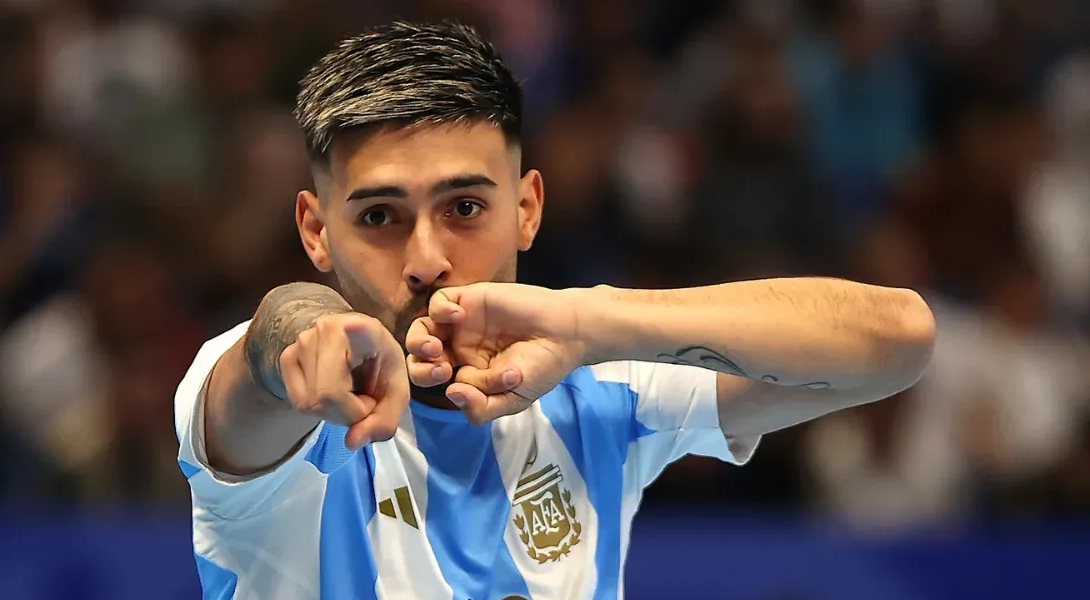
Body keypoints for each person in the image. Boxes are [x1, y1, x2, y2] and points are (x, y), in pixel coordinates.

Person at [174, 21, 936, 600]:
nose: (427, 258)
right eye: (379, 216)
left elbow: (898, 338)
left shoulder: (601, 378)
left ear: (528, 209)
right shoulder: (279, 401)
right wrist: (309, 332)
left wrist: (587, 324)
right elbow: (279, 337)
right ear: (315, 230)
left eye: (464, 207)